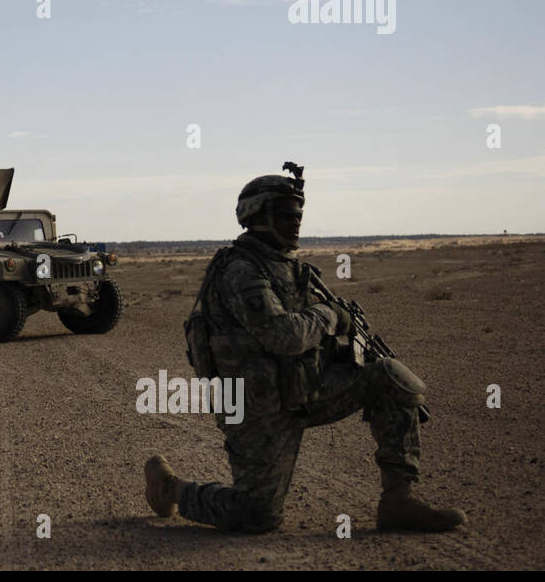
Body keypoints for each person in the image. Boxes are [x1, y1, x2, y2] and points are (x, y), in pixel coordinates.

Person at [145, 165, 466, 532]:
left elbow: (311, 334)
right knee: (257, 516)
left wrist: (343, 341)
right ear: (258, 216)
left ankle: (397, 502)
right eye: (285, 214)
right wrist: (331, 315)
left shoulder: (295, 271)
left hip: (303, 389)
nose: (296, 222)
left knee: (389, 376)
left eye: (299, 214)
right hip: (253, 407)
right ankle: (171, 490)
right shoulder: (241, 271)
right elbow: (283, 336)